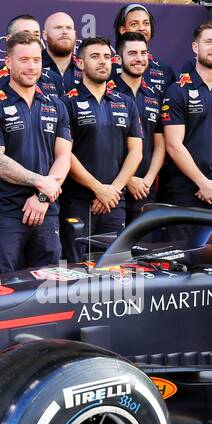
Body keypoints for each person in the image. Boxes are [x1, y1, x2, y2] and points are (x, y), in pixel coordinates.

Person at [0, 30, 71, 273]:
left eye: (36, 60)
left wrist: (42, 197)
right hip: (6, 213)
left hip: (47, 211)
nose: (31, 66)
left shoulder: (56, 105)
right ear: (8, 62)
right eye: (24, 60)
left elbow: (64, 156)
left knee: (49, 285)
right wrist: (42, 183)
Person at [59, 36, 143, 260]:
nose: (103, 62)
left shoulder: (125, 102)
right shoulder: (66, 102)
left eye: (107, 57)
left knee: (114, 268)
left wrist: (112, 190)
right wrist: (98, 189)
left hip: (115, 201)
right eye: (95, 57)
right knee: (75, 270)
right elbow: (65, 154)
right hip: (77, 202)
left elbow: (136, 152)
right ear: (80, 63)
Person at [158, 21, 212, 215]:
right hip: (183, 190)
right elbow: (173, 145)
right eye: (208, 42)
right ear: (195, 47)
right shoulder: (177, 90)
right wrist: (202, 182)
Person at [113, 31, 166, 224]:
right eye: (132, 53)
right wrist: (128, 179)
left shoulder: (155, 95)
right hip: (112, 187)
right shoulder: (107, 91)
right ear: (119, 59)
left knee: (145, 243)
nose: (139, 59)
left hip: (145, 188)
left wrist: (148, 180)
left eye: (143, 53)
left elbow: (160, 144)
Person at [112, 3, 174, 94]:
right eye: (134, 24)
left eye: (146, 23)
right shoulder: (107, 68)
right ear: (123, 30)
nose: (141, 28)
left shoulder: (164, 71)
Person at [0, 13, 40, 95]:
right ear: (9, 39)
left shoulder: (52, 78)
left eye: (36, 35)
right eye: (24, 34)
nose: (32, 39)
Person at [41, 11, 82, 96]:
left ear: (74, 34)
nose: (65, 31)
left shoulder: (85, 68)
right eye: (58, 27)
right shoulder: (33, 66)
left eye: (69, 28)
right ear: (45, 35)